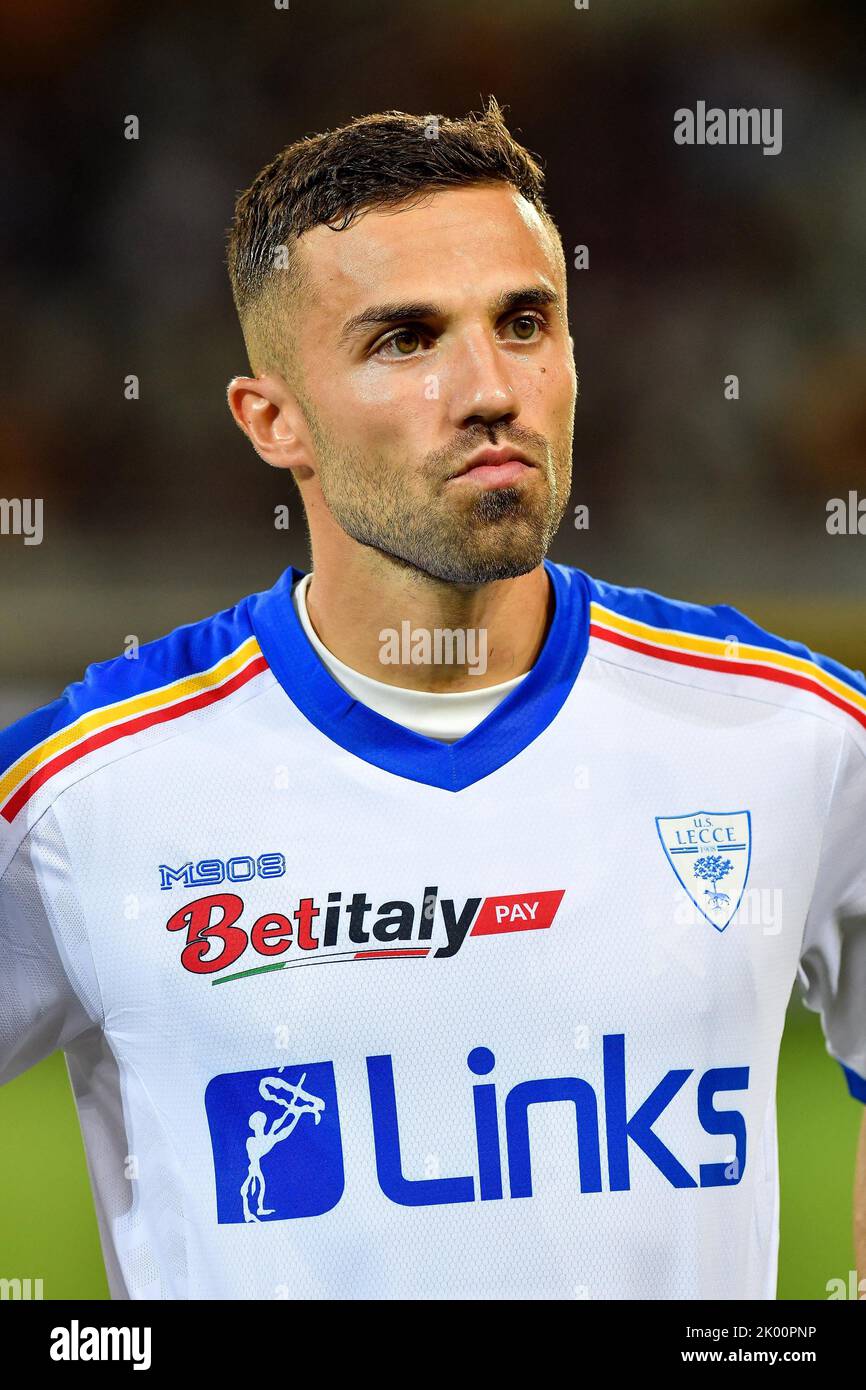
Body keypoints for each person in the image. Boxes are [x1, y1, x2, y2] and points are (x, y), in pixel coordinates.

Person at [1, 100, 864, 1300]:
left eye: (524, 322)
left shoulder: (793, 738)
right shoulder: (80, 795)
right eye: (404, 340)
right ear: (273, 420)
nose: (488, 388)